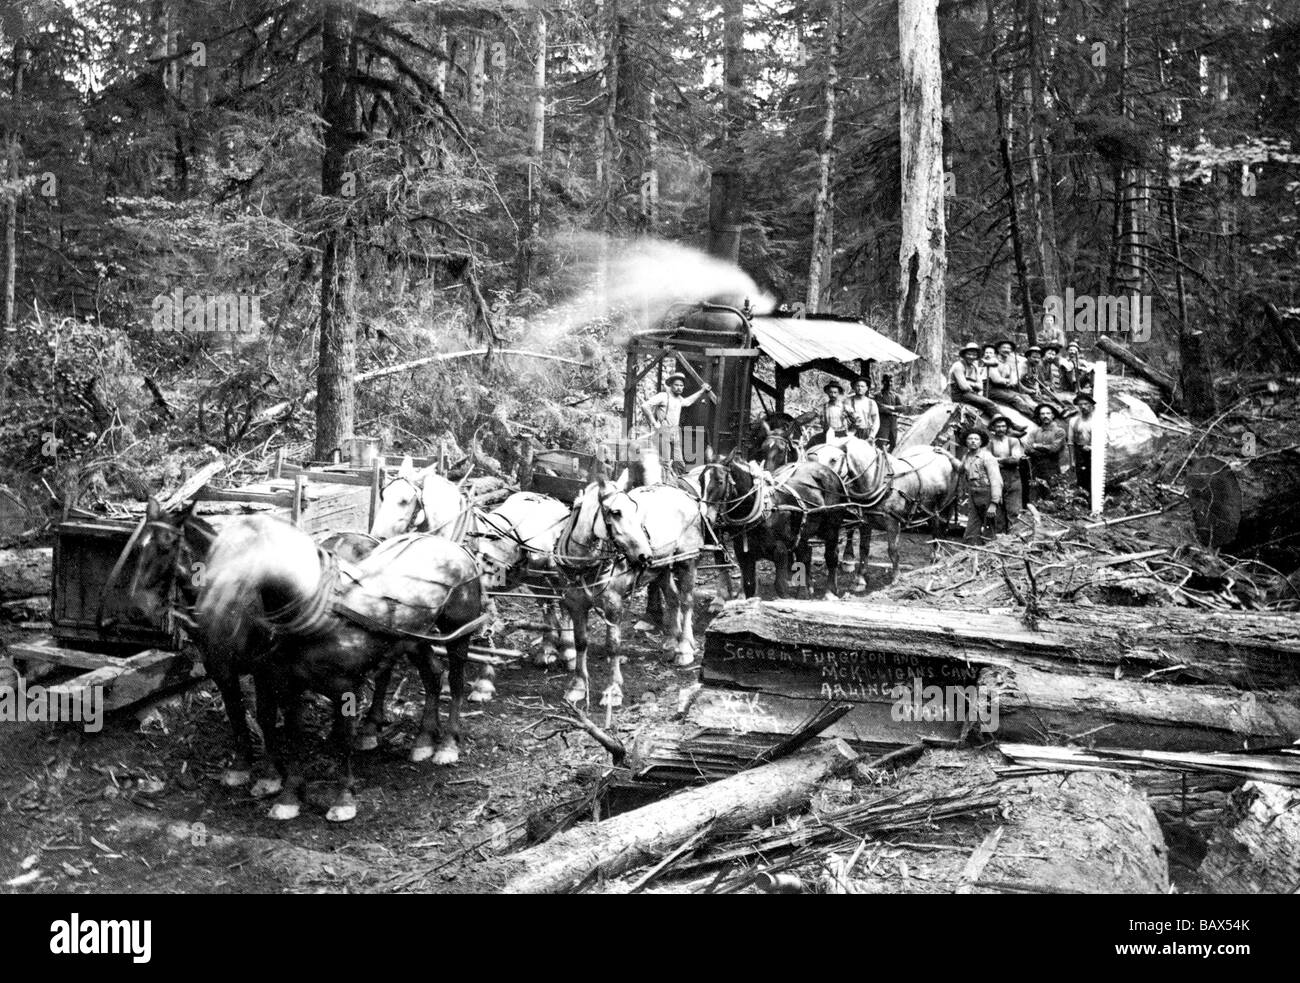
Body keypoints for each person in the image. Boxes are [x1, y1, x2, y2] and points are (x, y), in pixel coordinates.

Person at [641, 372, 711, 469]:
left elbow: (688, 402)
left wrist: (702, 390)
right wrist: (654, 423)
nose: (679, 387)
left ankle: (677, 482)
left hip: (675, 432)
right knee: (665, 463)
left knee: (679, 463)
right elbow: (645, 406)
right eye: (676, 385)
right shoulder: (663, 396)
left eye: (681, 385)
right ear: (671, 386)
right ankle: (663, 483)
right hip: (663, 432)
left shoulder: (679, 399)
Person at [959, 428, 1002, 545]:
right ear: (966, 441)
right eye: (970, 439)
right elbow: (960, 468)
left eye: (976, 439)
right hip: (973, 494)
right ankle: (969, 554)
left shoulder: (987, 457)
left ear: (981, 442)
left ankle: (990, 555)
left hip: (987, 493)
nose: (973, 441)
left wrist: (994, 503)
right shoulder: (967, 457)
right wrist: (946, 454)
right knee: (972, 528)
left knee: (990, 527)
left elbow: (996, 480)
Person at [988, 415, 1025, 531]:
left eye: (1003, 426)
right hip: (995, 478)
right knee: (998, 511)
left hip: (1012, 478)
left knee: (1014, 510)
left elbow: (1015, 459)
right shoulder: (990, 443)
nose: (1001, 429)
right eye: (998, 426)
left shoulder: (1013, 441)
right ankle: (1000, 539)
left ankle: (1015, 538)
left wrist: (997, 460)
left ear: (1007, 427)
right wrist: (1005, 460)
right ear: (993, 427)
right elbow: (987, 461)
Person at [1025, 402, 1068, 497]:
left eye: (1048, 413)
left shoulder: (1059, 431)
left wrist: (1036, 446)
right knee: (1037, 494)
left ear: (1053, 415)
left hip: (1052, 468)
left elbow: (1054, 449)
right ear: (1039, 416)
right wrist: (1044, 449)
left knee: (1053, 494)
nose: (1045, 416)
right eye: (1042, 414)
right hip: (1037, 468)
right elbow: (1027, 449)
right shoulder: (1035, 431)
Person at [987, 339, 1038, 416]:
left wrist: (1012, 381)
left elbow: (1014, 377)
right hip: (992, 389)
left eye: (1009, 348)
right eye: (1004, 348)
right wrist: (1009, 381)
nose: (1007, 350)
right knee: (1016, 399)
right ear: (998, 349)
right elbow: (996, 379)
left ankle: (1038, 410)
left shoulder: (1009, 362)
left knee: (1025, 396)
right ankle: (1032, 415)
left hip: (1004, 389)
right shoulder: (993, 360)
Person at [949, 341, 1000, 416]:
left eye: (974, 355)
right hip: (959, 395)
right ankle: (1007, 422)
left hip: (970, 393)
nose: (971, 357)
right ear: (964, 355)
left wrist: (970, 384)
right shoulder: (958, 366)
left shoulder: (974, 366)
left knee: (986, 405)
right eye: (969, 354)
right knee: (989, 403)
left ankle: (998, 421)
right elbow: (964, 388)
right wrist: (973, 386)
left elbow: (980, 386)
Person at [1068, 391, 1096, 491]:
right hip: (1080, 452)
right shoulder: (1073, 421)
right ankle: (1082, 499)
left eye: (1086, 404)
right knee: (1081, 477)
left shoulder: (1097, 421)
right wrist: (1072, 461)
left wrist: (1092, 448)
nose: (1083, 407)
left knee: (1094, 478)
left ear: (1091, 405)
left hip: (1095, 453)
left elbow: (1105, 442)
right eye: (1080, 405)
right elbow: (1070, 442)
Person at [818, 381, 854, 448]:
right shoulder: (823, 407)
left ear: (839, 393)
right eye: (831, 392)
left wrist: (851, 433)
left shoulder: (845, 407)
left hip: (842, 435)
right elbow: (817, 421)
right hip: (827, 435)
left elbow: (857, 420)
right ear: (827, 393)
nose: (833, 395)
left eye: (835, 392)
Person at [846, 376, 880, 443]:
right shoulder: (848, 401)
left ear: (867, 388)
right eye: (858, 386)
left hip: (867, 433)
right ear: (854, 387)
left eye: (862, 386)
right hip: (852, 434)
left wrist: (871, 436)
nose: (860, 388)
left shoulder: (871, 403)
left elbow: (876, 421)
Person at [875, 374, 903, 450]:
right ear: (883, 382)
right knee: (881, 445)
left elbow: (901, 408)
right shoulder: (878, 395)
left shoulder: (895, 395)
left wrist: (890, 407)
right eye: (887, 381)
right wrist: (893, 412)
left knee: (893, 445)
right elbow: (880, 408)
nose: (889, 384)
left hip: (893, 425)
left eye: (891, 381)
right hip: (882, 425)